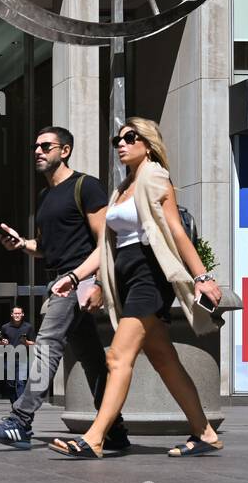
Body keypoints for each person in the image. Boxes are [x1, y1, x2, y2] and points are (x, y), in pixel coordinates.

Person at [48, 118, 224, 458]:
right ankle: (204, 432)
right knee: (163, 359)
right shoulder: (122, 188)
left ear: (148, 143)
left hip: (150, 276)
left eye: (130, 137)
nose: (121, 144)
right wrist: (75, 277)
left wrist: (202, 276)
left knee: (116, 356)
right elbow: (106, 247)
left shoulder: (155, 176)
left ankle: (95, 438)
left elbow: (175, 229)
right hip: (127, 279)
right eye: (118, 139)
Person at [0, 125, 132, 451]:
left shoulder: (85, 186)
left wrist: (96, 283)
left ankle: (20, 421)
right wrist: (22, 243)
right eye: (35, 146)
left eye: (46, 146)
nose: (38, 151)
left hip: (79, 280)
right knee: (92, 359)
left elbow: (107, 241)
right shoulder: (46, 196)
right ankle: (116, 431)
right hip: (60, 279)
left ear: (64, 151)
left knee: (47, 345)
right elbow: (46, 248)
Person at [0, 306, 35, 403]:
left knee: (21, 382)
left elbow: (34, 343)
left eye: (19, 313)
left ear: (22, 314)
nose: (17, 315)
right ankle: (14, 403)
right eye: (15, 313)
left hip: (23, 359)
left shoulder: (28, 327)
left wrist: (26, 342)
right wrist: (3, 343)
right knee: (10, 383)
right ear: (12, 314)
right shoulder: (5, 327)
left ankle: (19, 406)